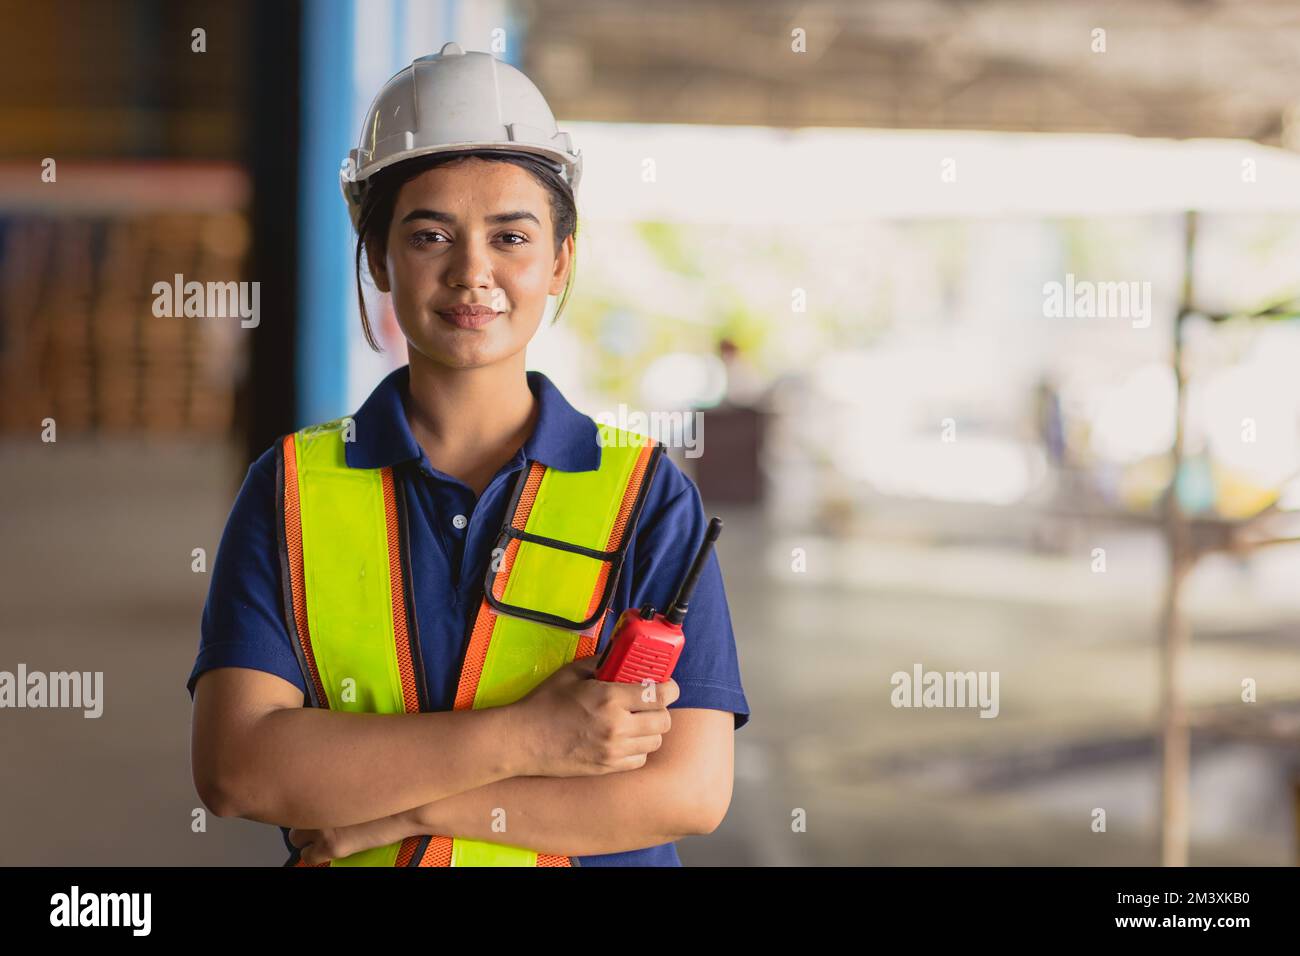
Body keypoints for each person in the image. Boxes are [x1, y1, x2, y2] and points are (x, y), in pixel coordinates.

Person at [187, 44, 749, 867]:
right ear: (379, 258)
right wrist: (529, 737)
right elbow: (239, 769)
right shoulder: (291, 490)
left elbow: (687, 795)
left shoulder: (645, 495)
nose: (472, 272)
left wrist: (392, 813)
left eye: (511, 236)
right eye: (430, 235)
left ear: (559, 260)